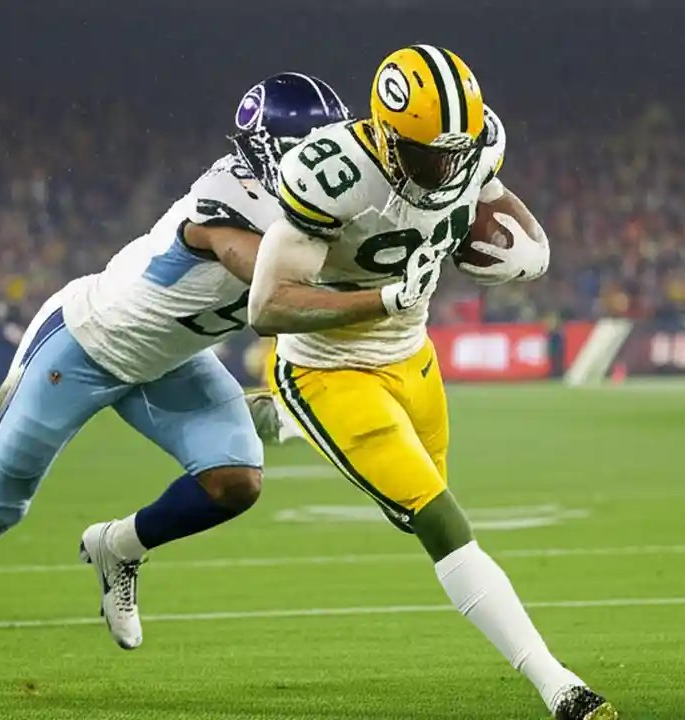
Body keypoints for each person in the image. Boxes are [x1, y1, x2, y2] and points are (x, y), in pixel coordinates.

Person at [0, 73, 350, 667]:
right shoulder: (225, 199)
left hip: (169, 360)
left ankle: (119, 547)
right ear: (271, 152)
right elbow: (272, 288)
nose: (330, 163)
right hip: (83, 346)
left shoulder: (315, 206)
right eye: (313, 148)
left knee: (236, 483)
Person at [245, 46, 615, 720]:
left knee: (418, 499)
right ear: (387, 136)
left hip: (414, 359)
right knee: (438, 519)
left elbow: (492, 198)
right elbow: (266, 306)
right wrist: (381, 300)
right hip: (329, 368)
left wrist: (530, 249)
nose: (447, 168)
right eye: (429, 154)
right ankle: (558, 684)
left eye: (457, 152)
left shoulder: (473, 148)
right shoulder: (331, 176)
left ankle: (280, 422)